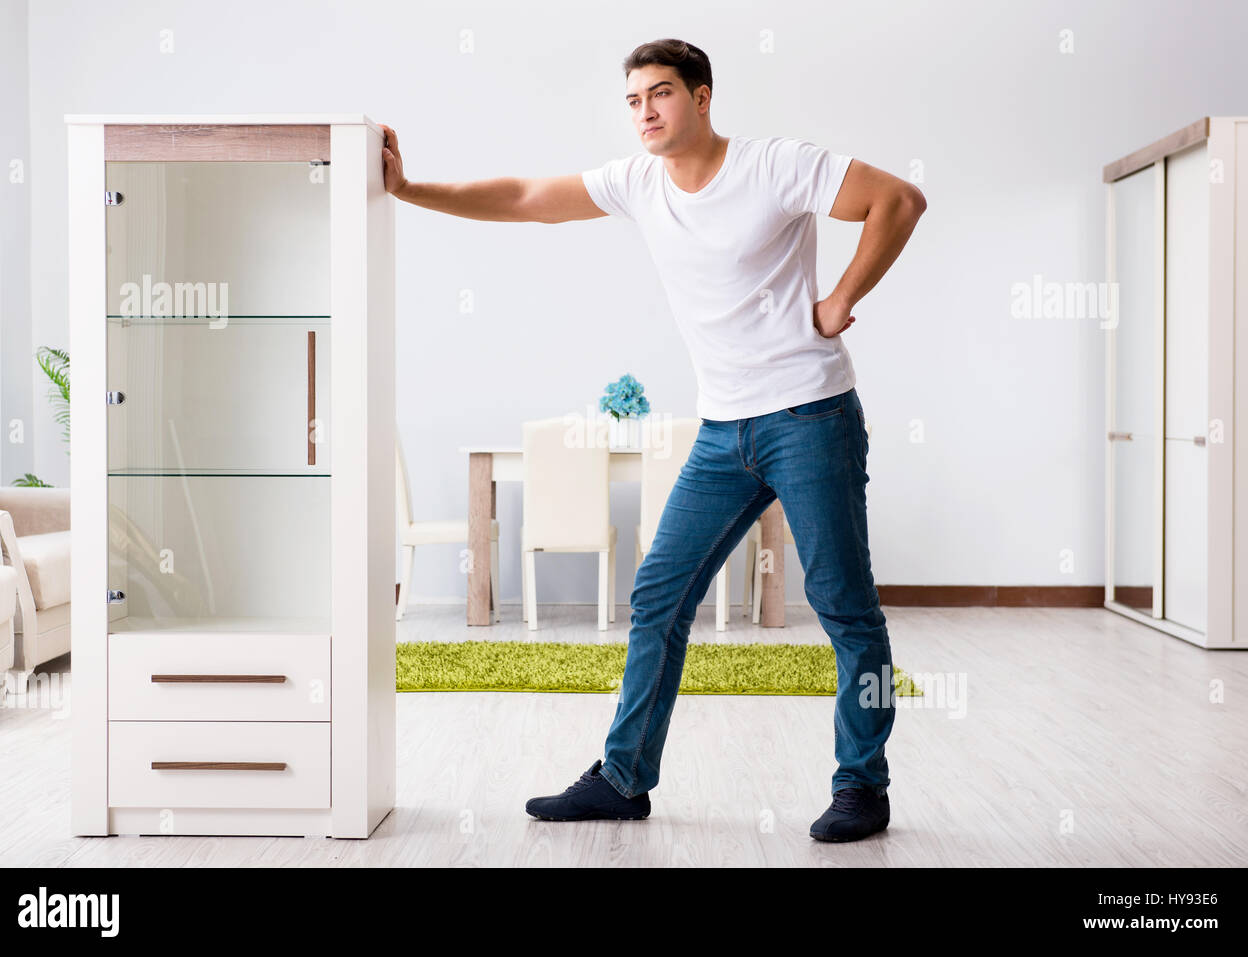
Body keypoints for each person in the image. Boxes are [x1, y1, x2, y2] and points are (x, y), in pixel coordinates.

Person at [381, 37, 926, 843]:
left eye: (661, 94)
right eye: (634, 99)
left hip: (810, 415)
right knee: (658, 596)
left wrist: (842, 294)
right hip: (721, 431)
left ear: (703, 98)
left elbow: (900, 200)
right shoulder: (638, 183)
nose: (646, 112)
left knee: (844, 606)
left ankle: (863, 787)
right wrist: (409, 188)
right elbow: (528, 195)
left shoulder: (775, 165)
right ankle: (623, 778)